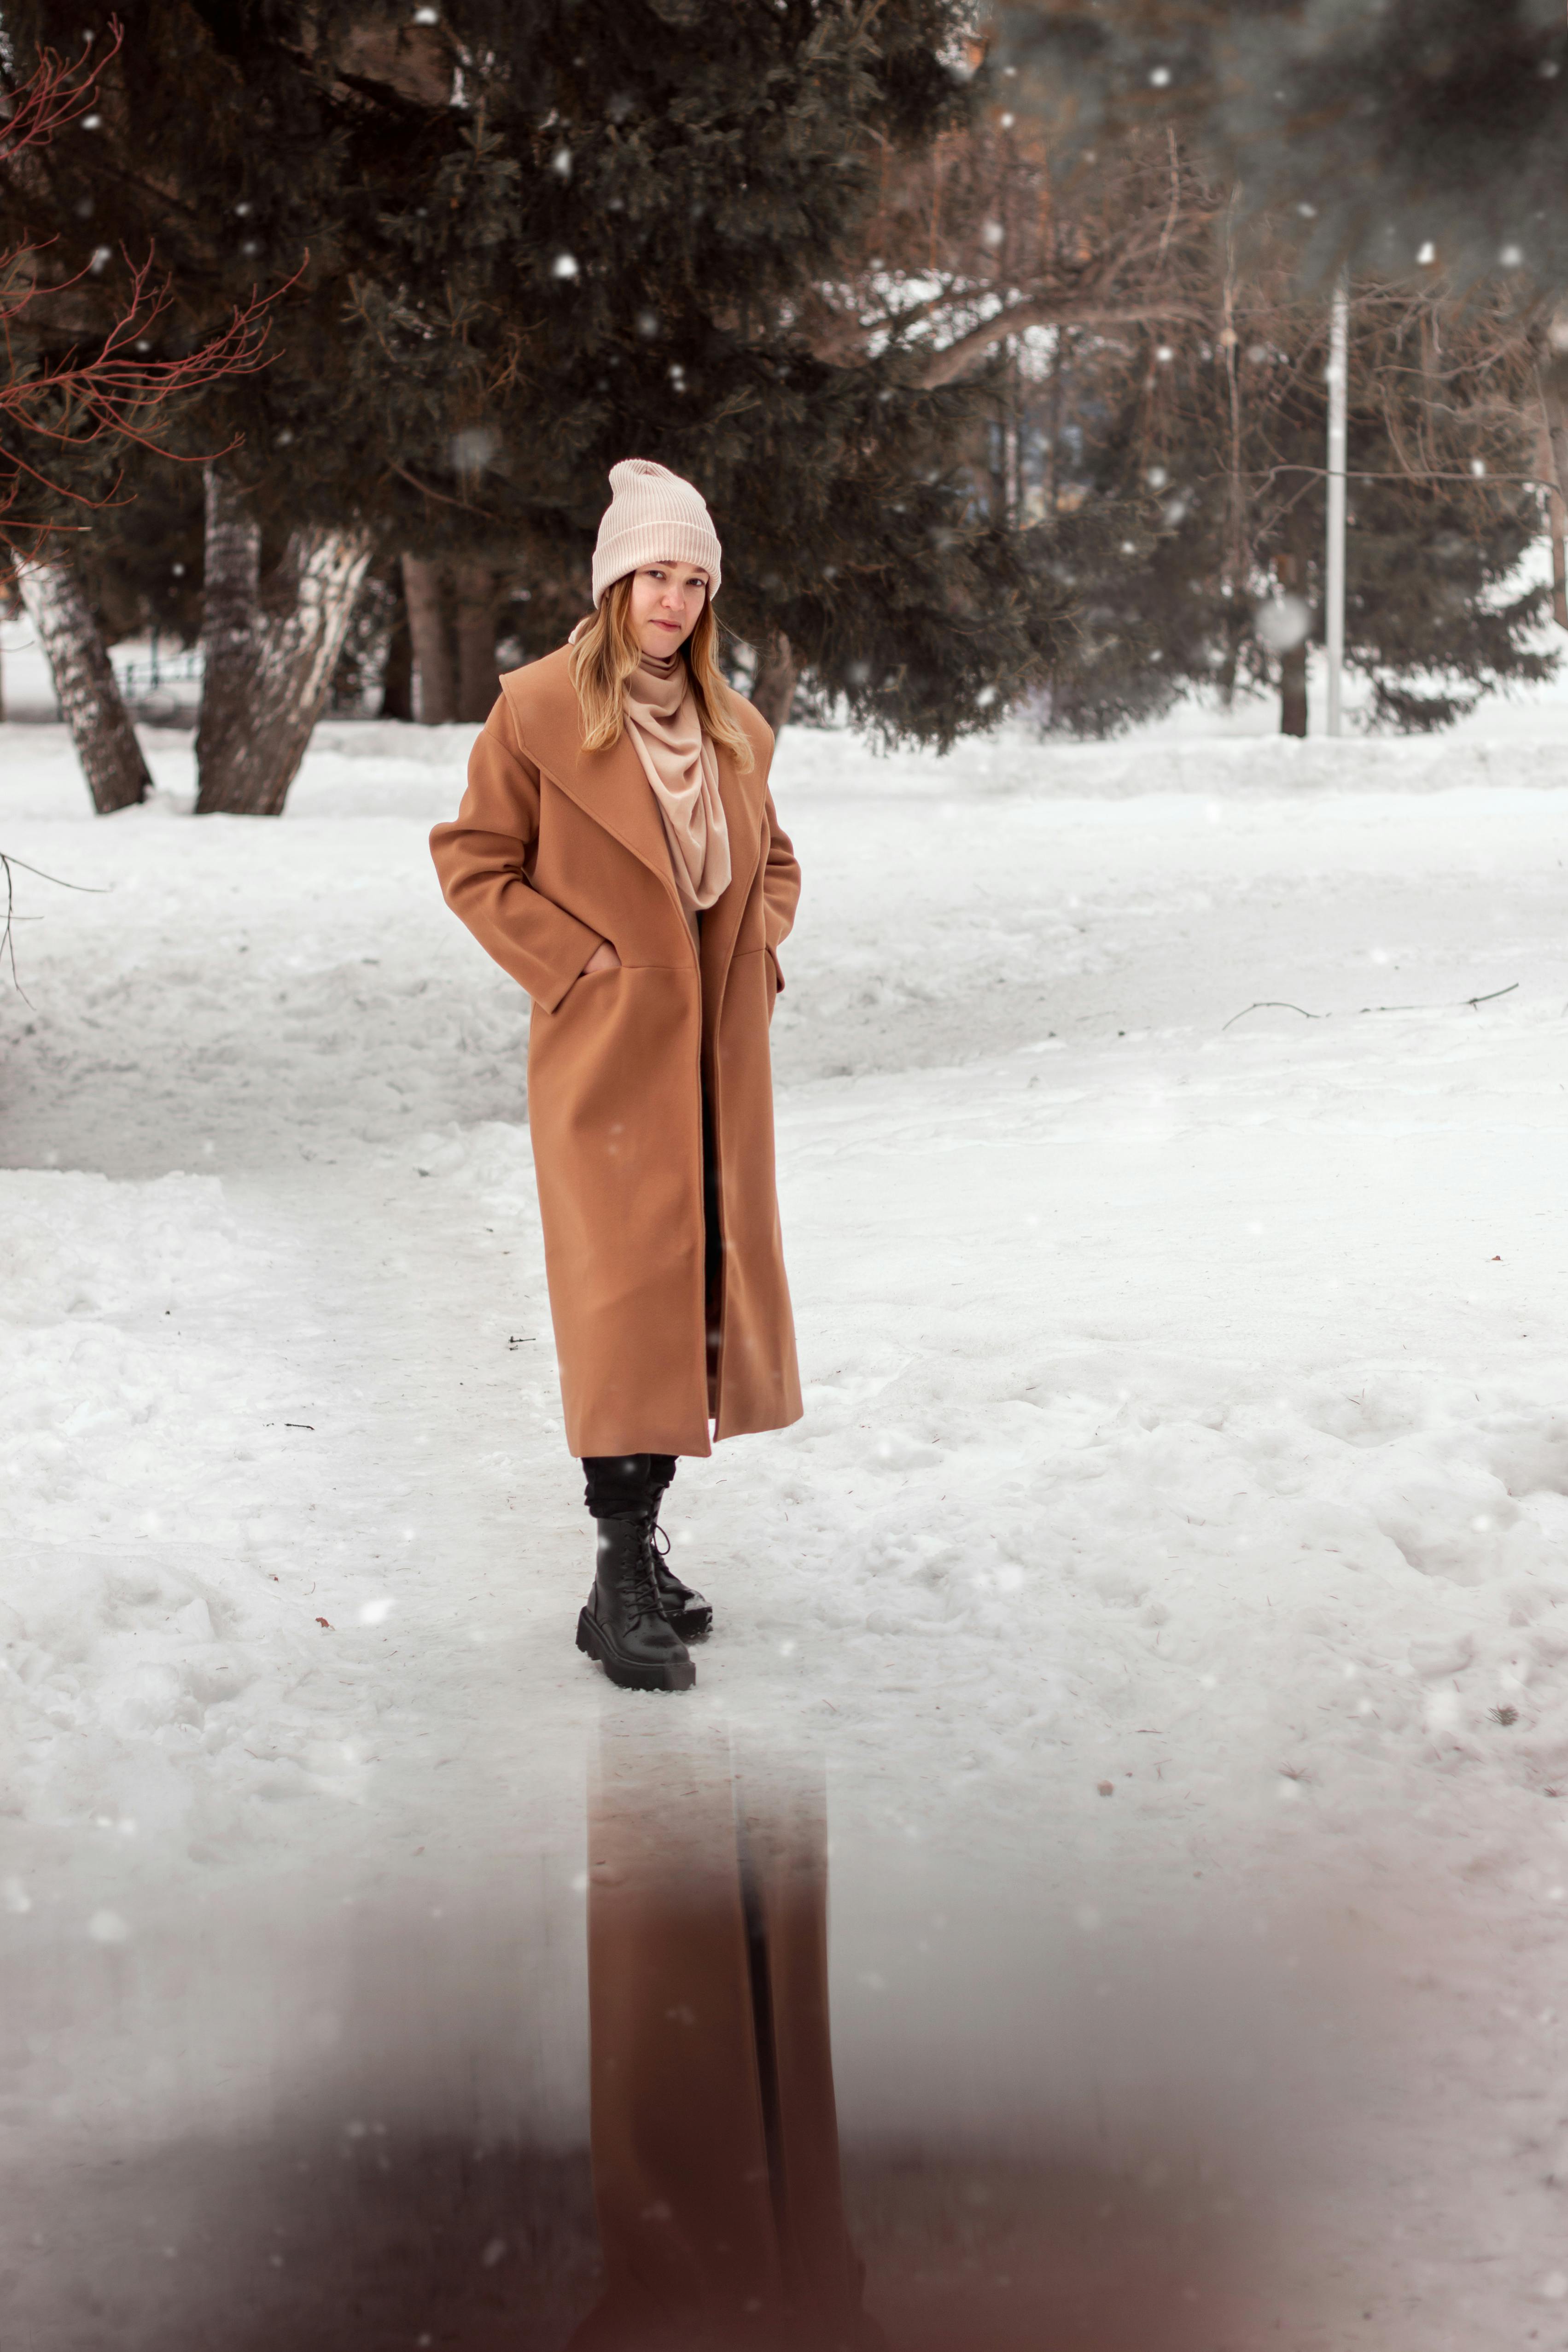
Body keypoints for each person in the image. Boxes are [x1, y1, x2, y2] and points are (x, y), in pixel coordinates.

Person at [430, 459, 803, 1694]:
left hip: (713, 1070)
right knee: (618, 1310)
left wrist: (750, 942)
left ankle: (638, 1558)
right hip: (606, 1066)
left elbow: (779, 864)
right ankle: (615, 1570)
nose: (678, 601)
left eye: (697, 581)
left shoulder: (734, 727)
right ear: (613, 580)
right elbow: (475, 859)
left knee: (688, 1310)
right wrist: (581, 965)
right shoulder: (536, 711)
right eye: (658, 575)